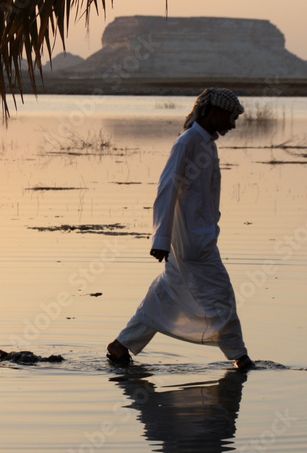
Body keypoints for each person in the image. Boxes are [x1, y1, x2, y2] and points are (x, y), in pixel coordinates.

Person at [107, 87, 254, 370]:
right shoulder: (187, 142)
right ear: (213, 112)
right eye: (230, 117)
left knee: (166, 293)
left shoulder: (207, 143)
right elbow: (167, 187)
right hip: (191, 241)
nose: (233, 125)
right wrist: (160, 238)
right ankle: (241, 357)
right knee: (221, 296)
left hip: (201, 237)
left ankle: (121, 346)